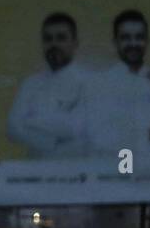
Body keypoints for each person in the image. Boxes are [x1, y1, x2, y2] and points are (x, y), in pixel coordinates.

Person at [88, 9, 150, 159]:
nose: (133, 43)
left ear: (147, 41)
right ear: (115, 42)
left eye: (139, 37)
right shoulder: (99, 85)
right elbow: (98, 140)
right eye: (126, 38)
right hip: (113, 176)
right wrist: (149, 132)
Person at [6, 13, 91, 158]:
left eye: (61, 38)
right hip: (37, 172)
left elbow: (75, 128)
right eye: (48, 39)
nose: (54, 44)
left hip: (76, 172)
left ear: (75, 43)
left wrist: (30, 121)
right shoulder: (30, 84)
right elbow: (12, 129)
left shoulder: (90, 82)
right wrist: (52, 141)